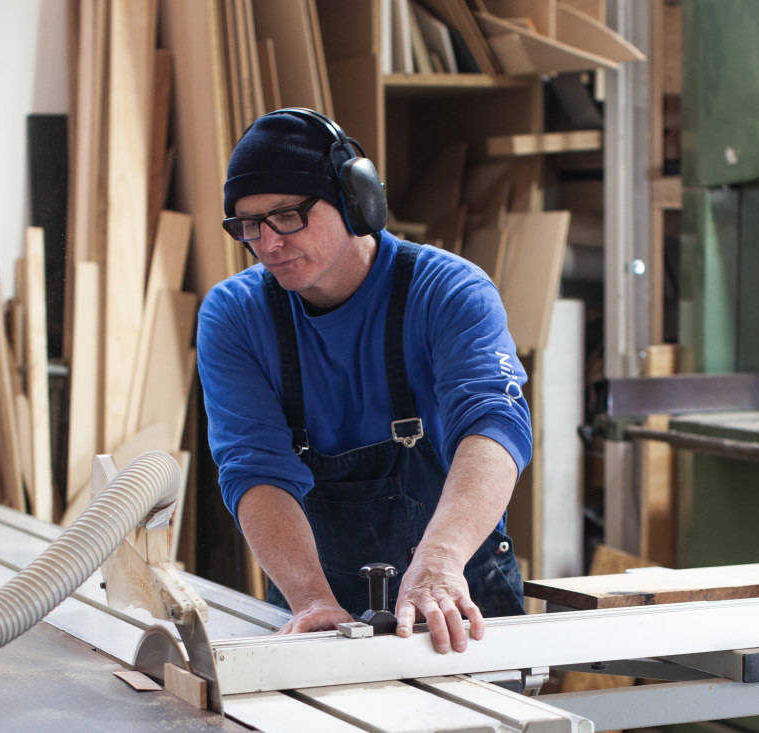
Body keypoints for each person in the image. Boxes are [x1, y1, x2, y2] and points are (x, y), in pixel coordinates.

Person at [195, 108, 532, 655]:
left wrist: (440, 561)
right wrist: (309, 599)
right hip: (319, 608)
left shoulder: (448, 292)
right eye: (249, 226)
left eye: (286, 216)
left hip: (454, 596)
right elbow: (254, 469)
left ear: (357, 201)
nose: (268, 244)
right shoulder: (235, 317)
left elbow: (495, 428)